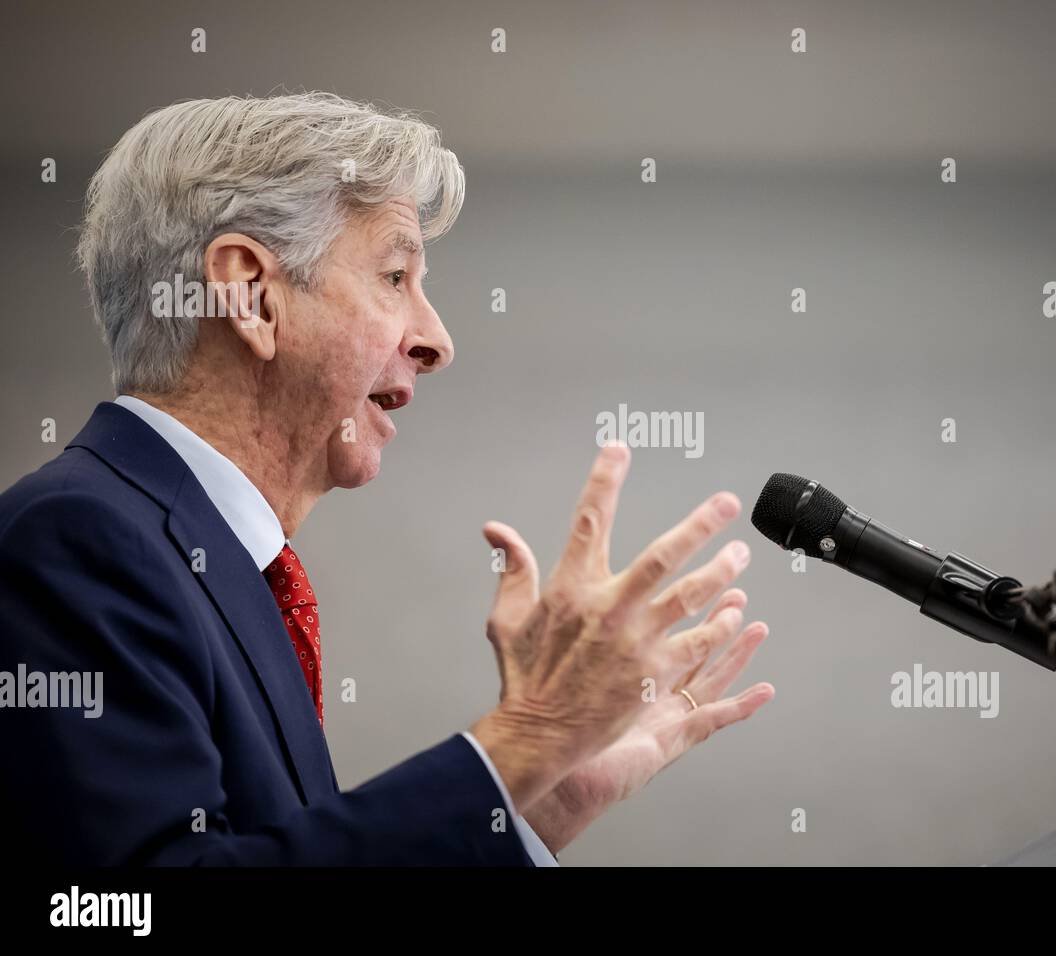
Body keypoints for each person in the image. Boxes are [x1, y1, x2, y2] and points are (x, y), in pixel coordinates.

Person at [0, 93, 774, 865]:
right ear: (249, 294)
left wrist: (533, 804)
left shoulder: (218, 566)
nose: (436, 340)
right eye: (396, 274)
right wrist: (528, 734)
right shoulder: (74, 540)